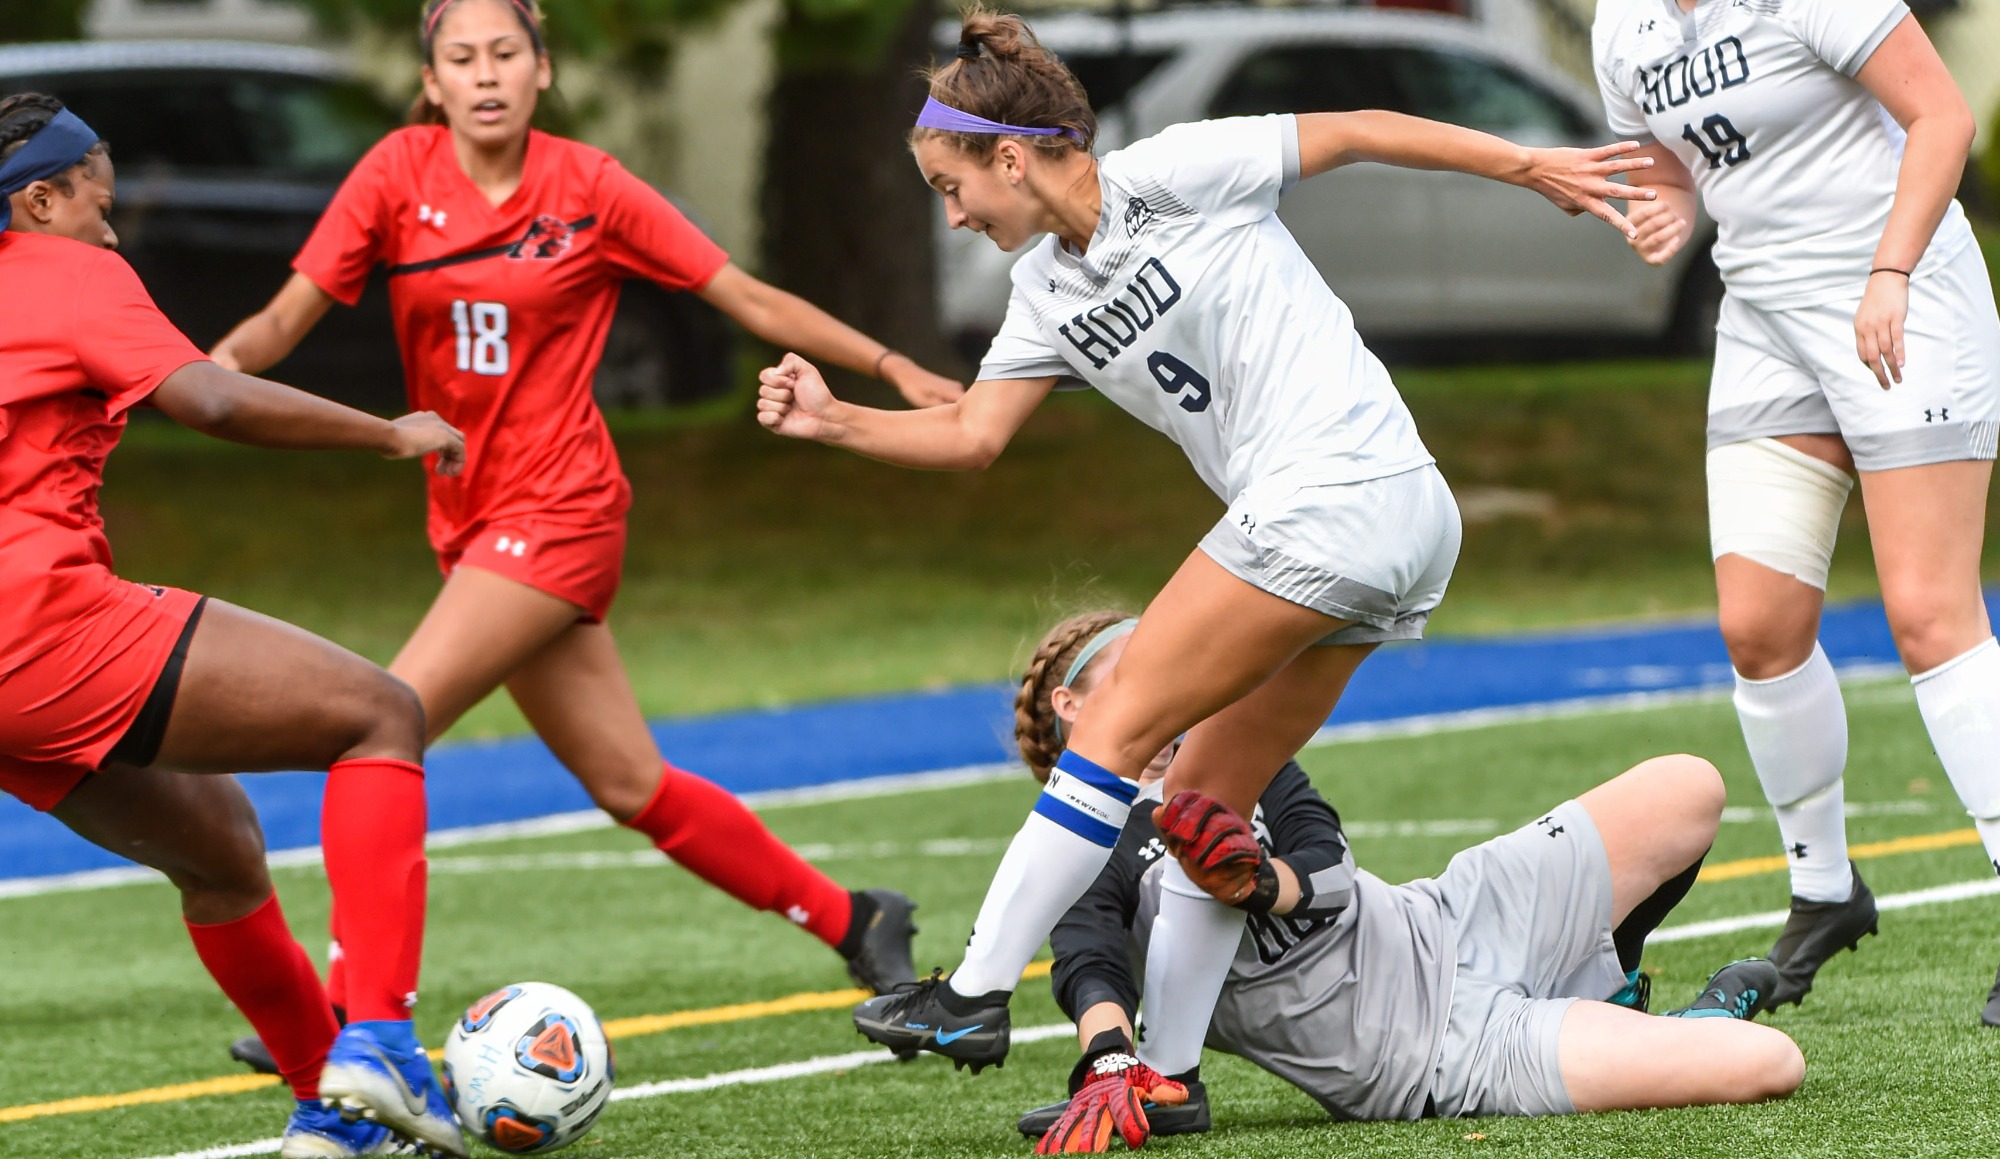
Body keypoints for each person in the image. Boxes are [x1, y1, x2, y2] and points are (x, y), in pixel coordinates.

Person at [756, 6, 1654, 1137]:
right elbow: (974, 434)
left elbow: (1358, 129)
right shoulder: (1041, 292)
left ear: (1011, 157)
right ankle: (1167, 1076)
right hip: (1380, 517)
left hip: (1338, 494)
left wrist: (1527, 165)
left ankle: (973, 993)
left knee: (1112, 724)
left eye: (953, 185)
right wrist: (834, 422)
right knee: (1202, 804)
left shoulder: (1173, 171)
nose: (953, 213)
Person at [211, 0, 954, 1074]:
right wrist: (197, 375)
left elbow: (744, 295)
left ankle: (353, 1015)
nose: (485, 75)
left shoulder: (590, 185)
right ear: (431, 84)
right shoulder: (393, 175)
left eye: (504, 54)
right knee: (629, 784)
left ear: (543, 70)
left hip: (562, 512)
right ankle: (856, 917)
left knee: (380, 719)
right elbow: (282, 323)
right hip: (470, 524)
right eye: (461, 58)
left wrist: (891, 367)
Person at [0, 93, 470, 1158]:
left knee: (217, 851)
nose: (112, 231)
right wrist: (386, 435)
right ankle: (382, 1041)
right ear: (41, 199)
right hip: (39, 627)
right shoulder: (68, 272)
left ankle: (329, 1112)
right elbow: (209, 399)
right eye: (100, 206)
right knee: (380, 715)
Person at [1006, 611, 1803, 1153]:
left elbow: (1329, 869)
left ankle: (1607, 990)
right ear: (1069, 704)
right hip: (1434, 1053)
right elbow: (1089, 964)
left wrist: (1255, 882)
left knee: (1689, 786)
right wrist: (1109, 1061)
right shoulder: (1077, 846)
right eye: (1135, 668)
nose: (1166, 679)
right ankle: (1688, 1021)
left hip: (1452, 915)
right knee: (1769, 1063)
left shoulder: (1232, 755)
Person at [1593, 0, 2000, 1018]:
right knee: (1759, 628)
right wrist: (1664, 208)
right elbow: (1672, 164)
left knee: (1930, 615)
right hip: (1764, 320)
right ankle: (1824, 888)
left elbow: (1942, 117)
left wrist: (1889, 271)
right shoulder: (1619, 22)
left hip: (1900, 294)